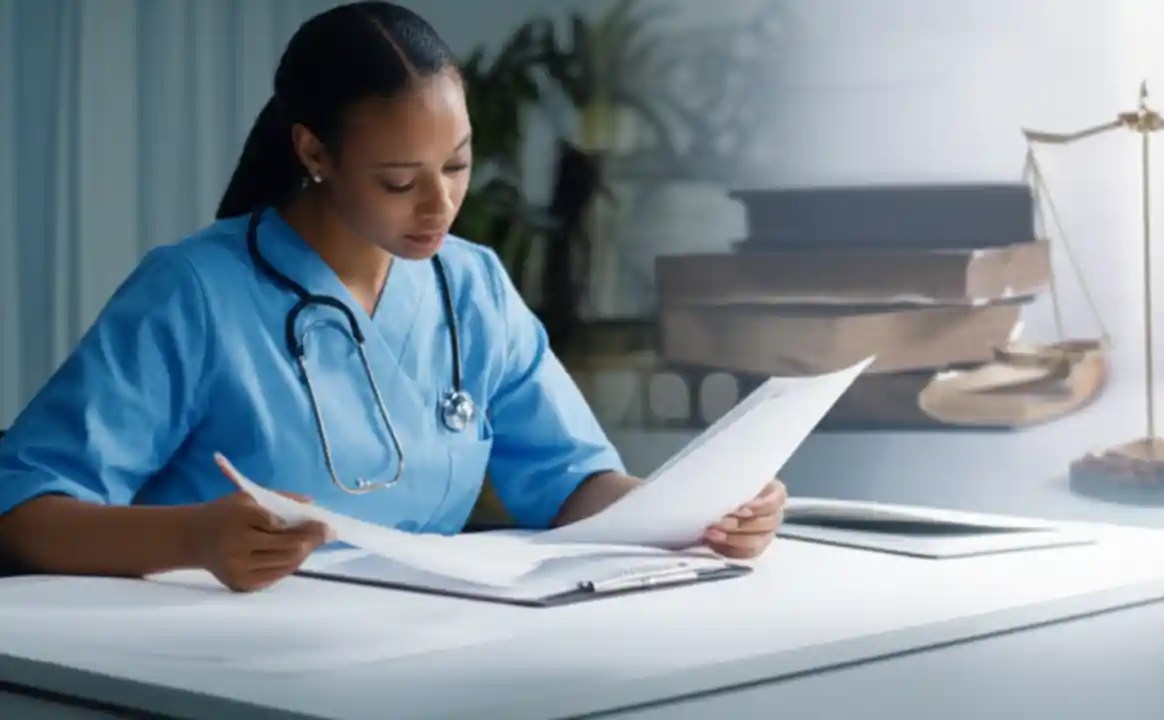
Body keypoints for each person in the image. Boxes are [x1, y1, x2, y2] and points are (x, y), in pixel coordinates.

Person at [0, 1, 785, 592]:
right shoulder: (194, 292)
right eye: (400, 181)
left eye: (458, 165)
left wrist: (697, 513)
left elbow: (573, 483)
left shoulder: (471, 285)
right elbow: (25, 515)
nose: (439, 205)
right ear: (313, 151)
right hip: (200, 657)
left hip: (412, 653)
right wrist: (193, 539)